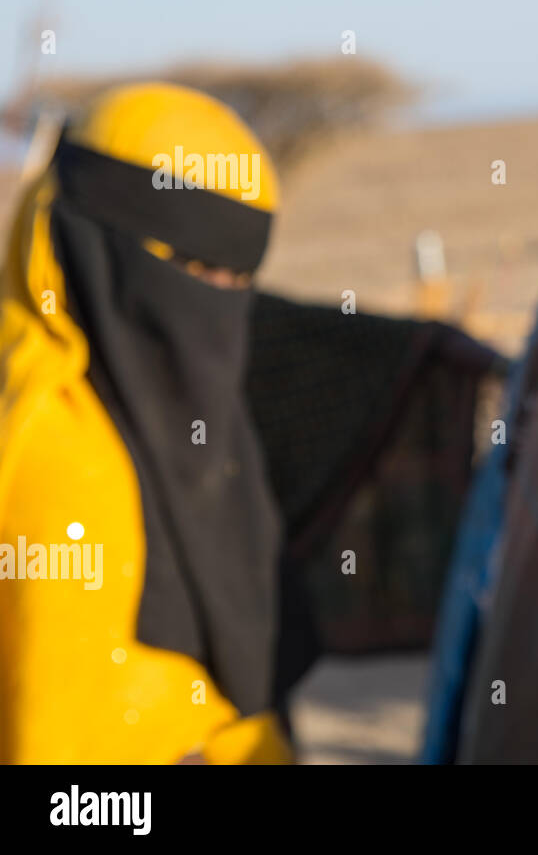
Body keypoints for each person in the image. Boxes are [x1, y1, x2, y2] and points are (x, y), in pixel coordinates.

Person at [0, 82, 291, 762]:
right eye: (192, 270)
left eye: (234, 278)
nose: (217, 307)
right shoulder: (57, 467)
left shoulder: (177, 413)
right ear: (94, 250)